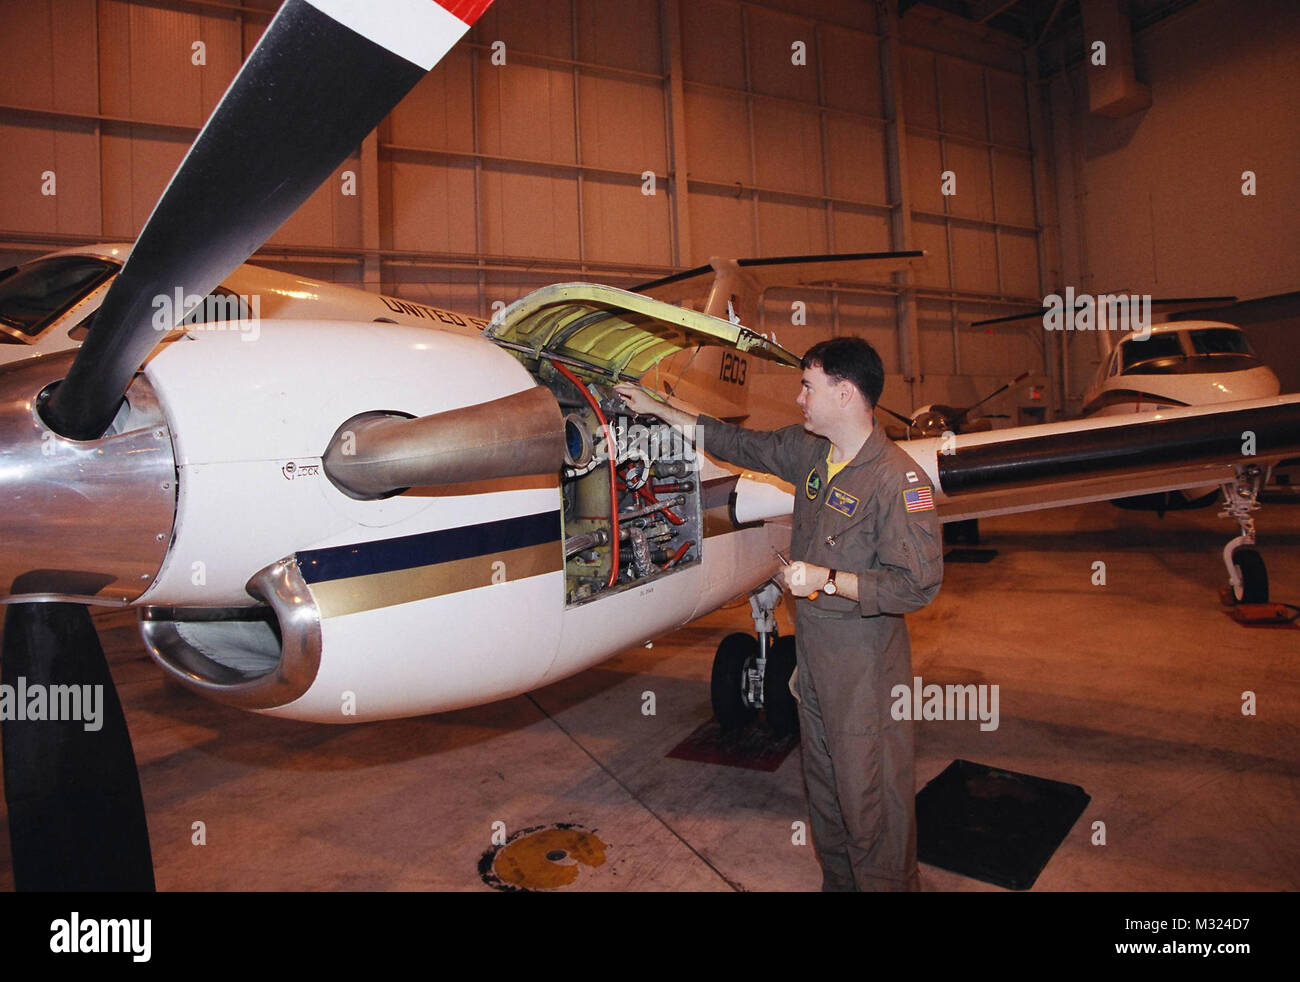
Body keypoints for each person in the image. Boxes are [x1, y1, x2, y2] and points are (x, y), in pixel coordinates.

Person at [615, 336, 943, 891]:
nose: (799, 400)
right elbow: (734, 443)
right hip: (813, 662)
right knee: (827, 796)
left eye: (808, 387)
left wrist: (830, 581)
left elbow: (918, 586)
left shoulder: (898, 481)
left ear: (845, 393)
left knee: (872, 805)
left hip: (864, 671)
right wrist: (658, 409)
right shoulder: (810, 452)